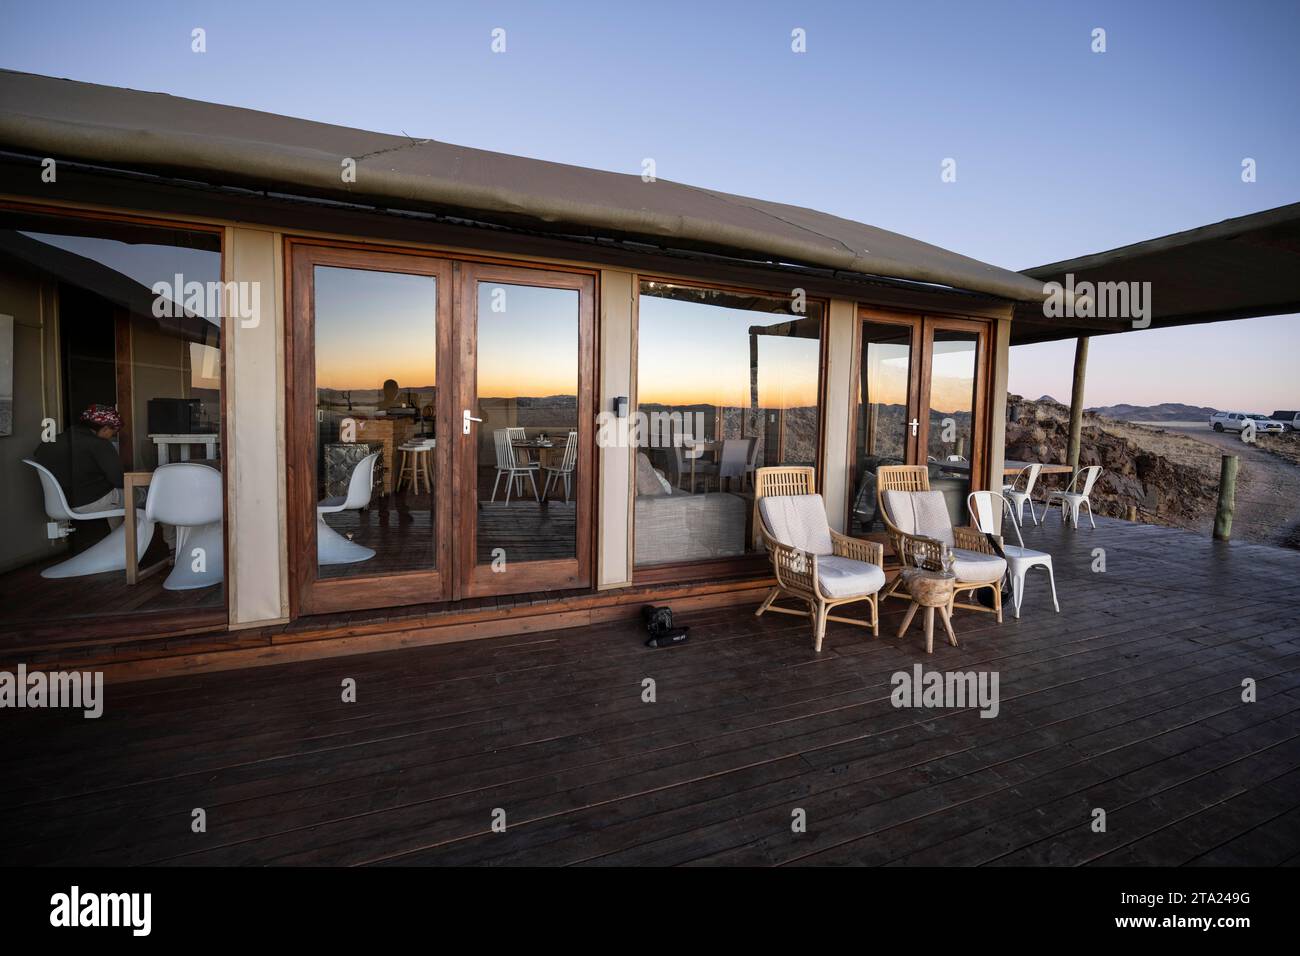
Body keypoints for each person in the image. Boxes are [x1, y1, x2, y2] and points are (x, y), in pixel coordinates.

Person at [33, 404, 126, 527]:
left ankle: (119, 538)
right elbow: (119, 481)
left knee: (115, 499)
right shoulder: (99, 444)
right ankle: (127, 541)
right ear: (105, 428)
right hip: (92, 502)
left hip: (58, 504)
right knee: (144, 495)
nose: (112, 436)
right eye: (113, 433)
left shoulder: (46, 444)